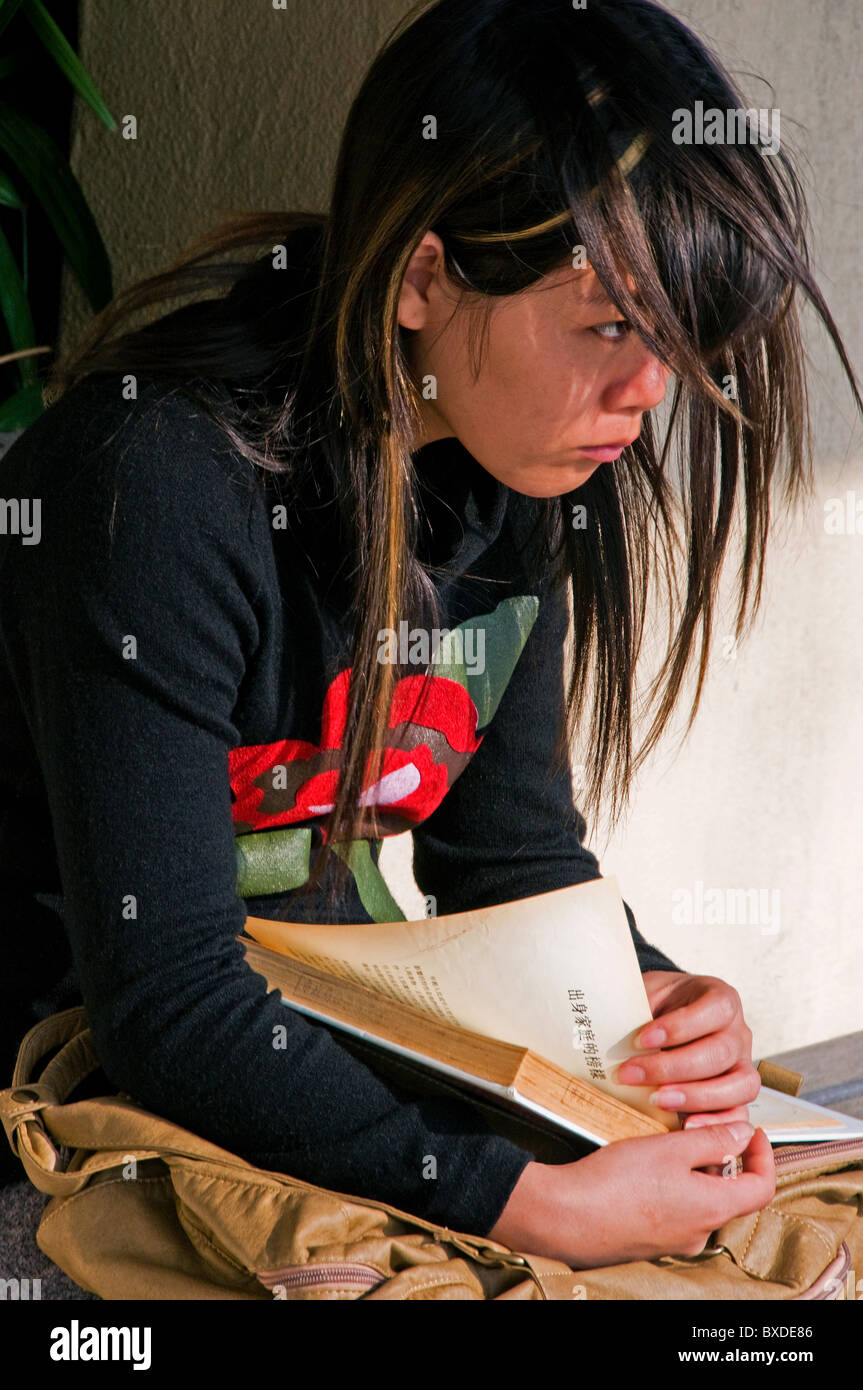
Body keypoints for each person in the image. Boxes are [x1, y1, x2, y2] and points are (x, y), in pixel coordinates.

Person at [1, 0, 859, 1271]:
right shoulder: (158, 485)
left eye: (667, 339)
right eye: (608, 325)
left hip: (311, 1042)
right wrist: (525, 1205)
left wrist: (657, 1006)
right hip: (70, 1082)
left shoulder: (521, 466)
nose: (645, 392)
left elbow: (510, 861)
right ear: (422, 275)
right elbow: (167, 999)